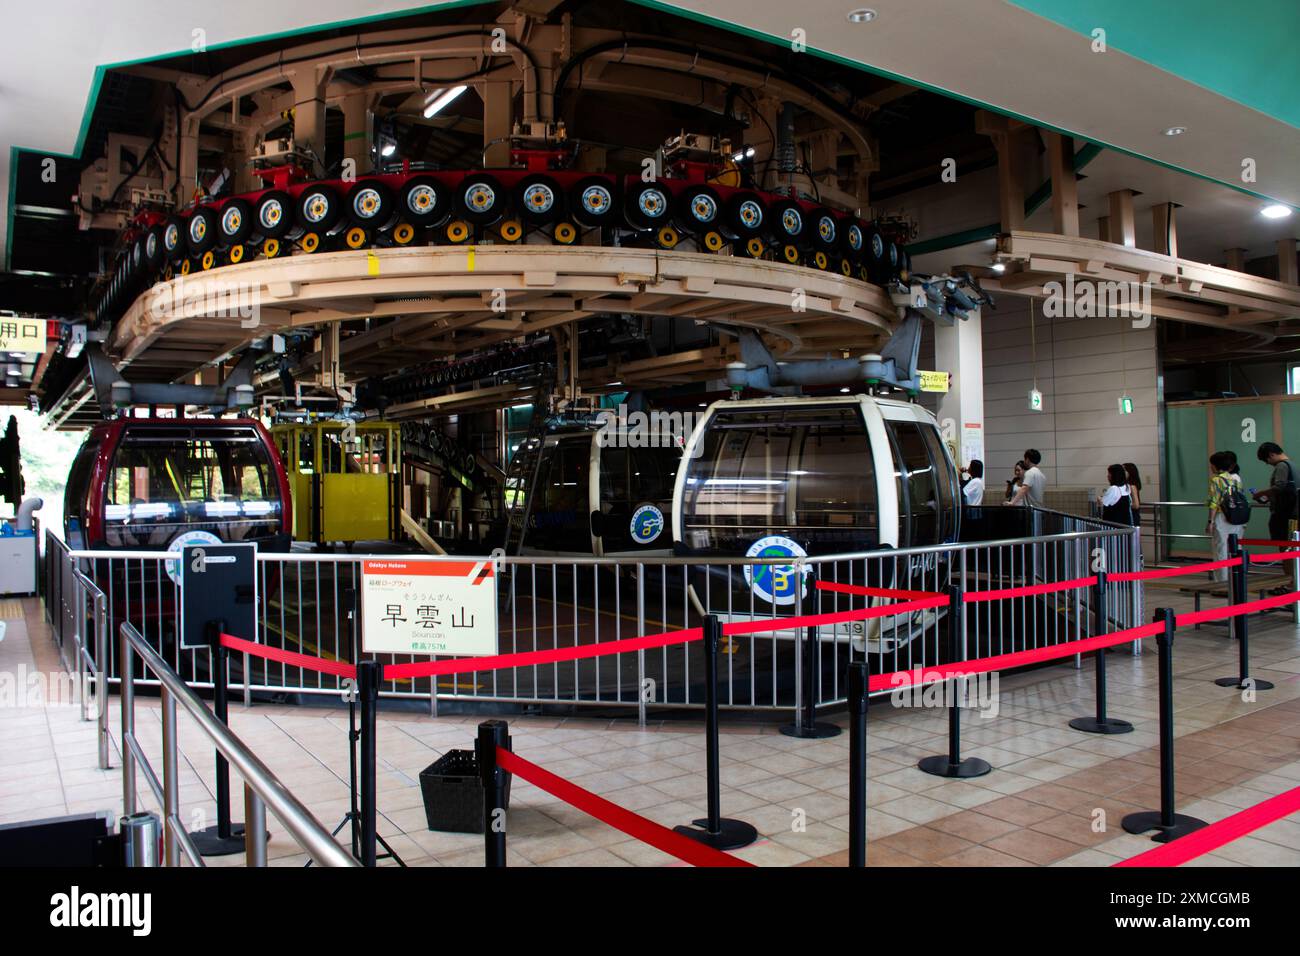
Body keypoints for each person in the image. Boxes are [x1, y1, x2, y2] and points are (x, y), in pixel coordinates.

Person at [1206, 451, 1246, 582]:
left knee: (1221, 550)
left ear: (1217, 465)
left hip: (1222, 517)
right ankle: (1236, 580)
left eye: (1211, 464)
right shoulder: (1236, 479)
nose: (1210, 467)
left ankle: (1222, 583)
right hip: (1236, 518)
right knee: (1235, 548)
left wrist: (1210, 521)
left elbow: (1214, 501)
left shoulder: (1216, 480)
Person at [1251, 442, 1296, 548]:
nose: (1268, 463)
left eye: (1266, 460)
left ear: (1271, 455)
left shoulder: (1281, 466)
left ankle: (1288, 564)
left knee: (1285, 546)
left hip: (1284, 514)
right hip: (1293, 512)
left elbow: (1279, 487)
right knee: (1292, 546)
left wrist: (1260, 493)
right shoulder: (1293, 466)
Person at [1123, 463, 1142, 528]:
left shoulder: (1132, 486)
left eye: (1124, 470)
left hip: (1132, 516)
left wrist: (1122, 505)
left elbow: (1136, 505)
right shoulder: (1127, 485)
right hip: (1128, 516)